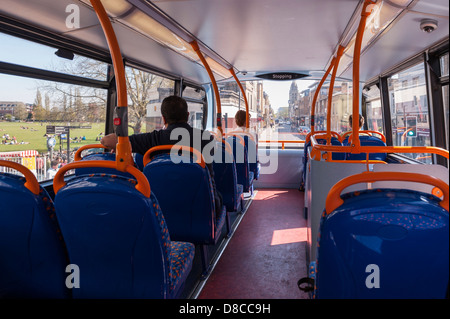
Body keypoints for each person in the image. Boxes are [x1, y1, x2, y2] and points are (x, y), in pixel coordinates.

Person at [101, 95, 223, 215]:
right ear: (187, 116)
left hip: (160, 206)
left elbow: (105, 141)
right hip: (204, 206)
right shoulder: (207, 139)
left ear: (164, 119)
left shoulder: (152, 139)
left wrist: (121, 146)